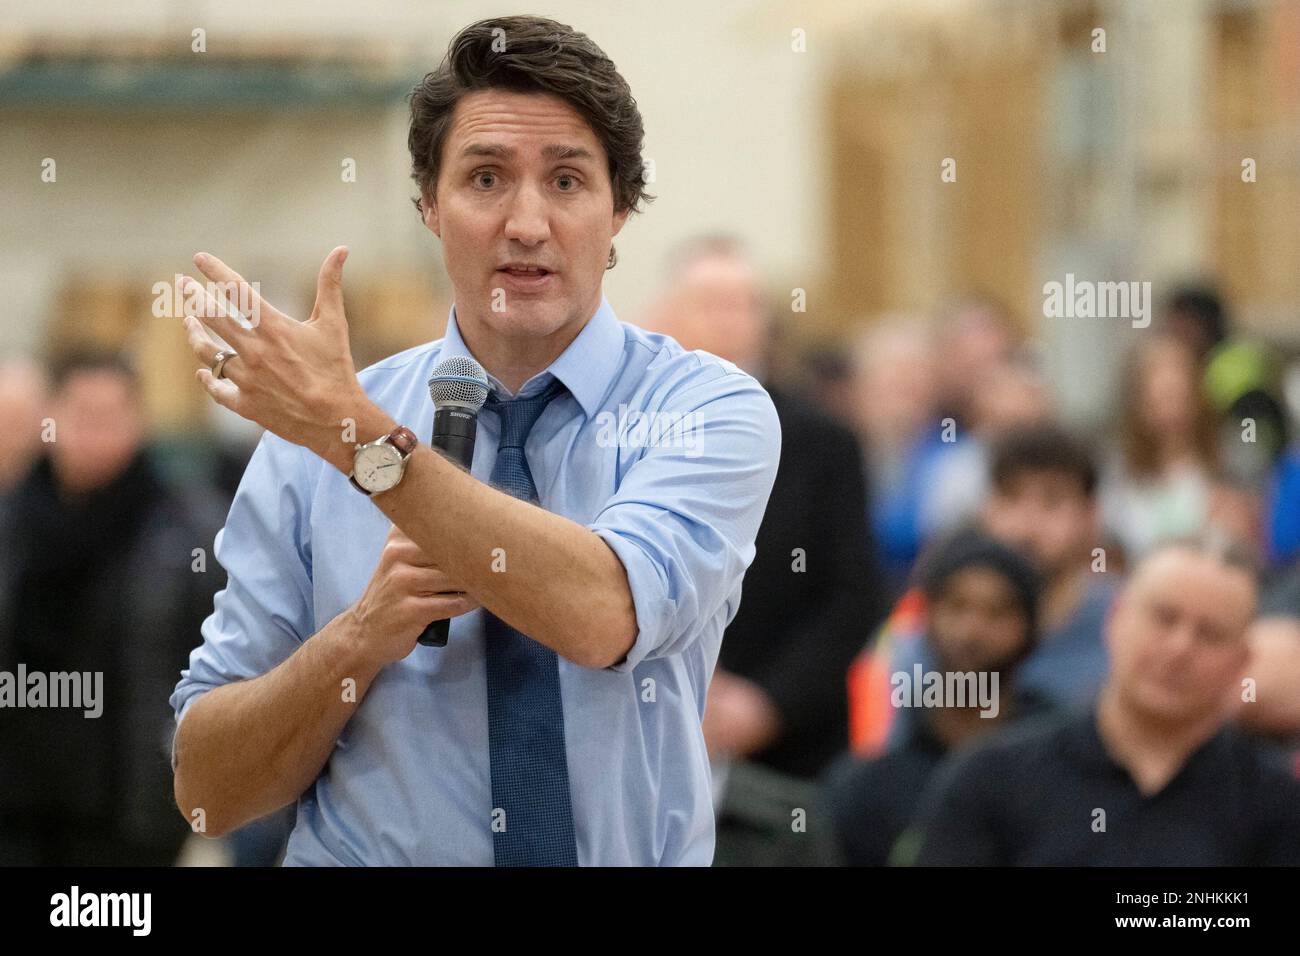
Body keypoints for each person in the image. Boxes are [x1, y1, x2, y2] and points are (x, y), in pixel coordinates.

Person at [170, 16, 781, 866]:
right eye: (486, 178)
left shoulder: (705, 408)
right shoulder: (314, 434)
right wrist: (360, 637)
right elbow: (207, 790)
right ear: (428, 203)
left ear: (620, 210)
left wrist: (361, 446)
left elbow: (603, 615)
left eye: (567, 181)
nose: (526, 222)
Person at [647, 235, 887, 865]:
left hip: (791, 754)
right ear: (666, 316)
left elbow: (853, 598)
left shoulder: (825, 443)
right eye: (711, 303)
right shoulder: (626, 434)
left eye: (746, 304)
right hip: (652, 740)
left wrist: (765, 704)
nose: (732, 321)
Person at [905, 536, 1300, 865]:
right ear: (1115, 619)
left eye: (1210, 634)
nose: (1180, 648)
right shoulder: (989, 779)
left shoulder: (1277, 806)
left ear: (1242, 661)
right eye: (1163, 618)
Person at [0, 350, 226, 865]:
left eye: (110, 418)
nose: (92, 434)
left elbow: (216, 664)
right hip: (17, 802)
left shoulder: (185, 528)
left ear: (138, 422)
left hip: (126, 811)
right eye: (79, 415)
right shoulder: (15, 519)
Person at [823, 529, 1049, 866]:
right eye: (957, 607)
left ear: (1030, 629)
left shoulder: (1056, 766)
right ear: (926, 617)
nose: (972, 631)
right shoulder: (867, 786)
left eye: (997, 612)